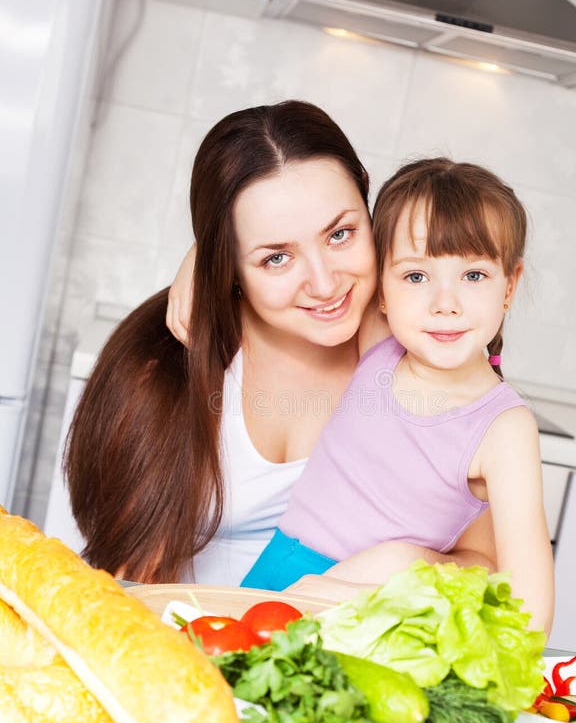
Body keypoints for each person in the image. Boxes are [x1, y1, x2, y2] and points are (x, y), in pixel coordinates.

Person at [65, 101, 495, 600]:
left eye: (340, 234)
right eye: (276, 258)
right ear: (227, 261)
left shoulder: (426, 359)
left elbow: (484, 566)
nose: (324, 282)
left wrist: (409, 563)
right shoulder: (160, 364)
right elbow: (122, 584)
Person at [237, 157, 554, 632]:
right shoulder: (380, 342)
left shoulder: (504, 429)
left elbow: (531, 612)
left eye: (473, 276)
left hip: (372, 616)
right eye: (415, 276)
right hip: (272, 577)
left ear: (509, 286)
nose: (445, 303)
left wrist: (403, 568)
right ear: (380, 288)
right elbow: (295, 231)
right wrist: (195, 261)